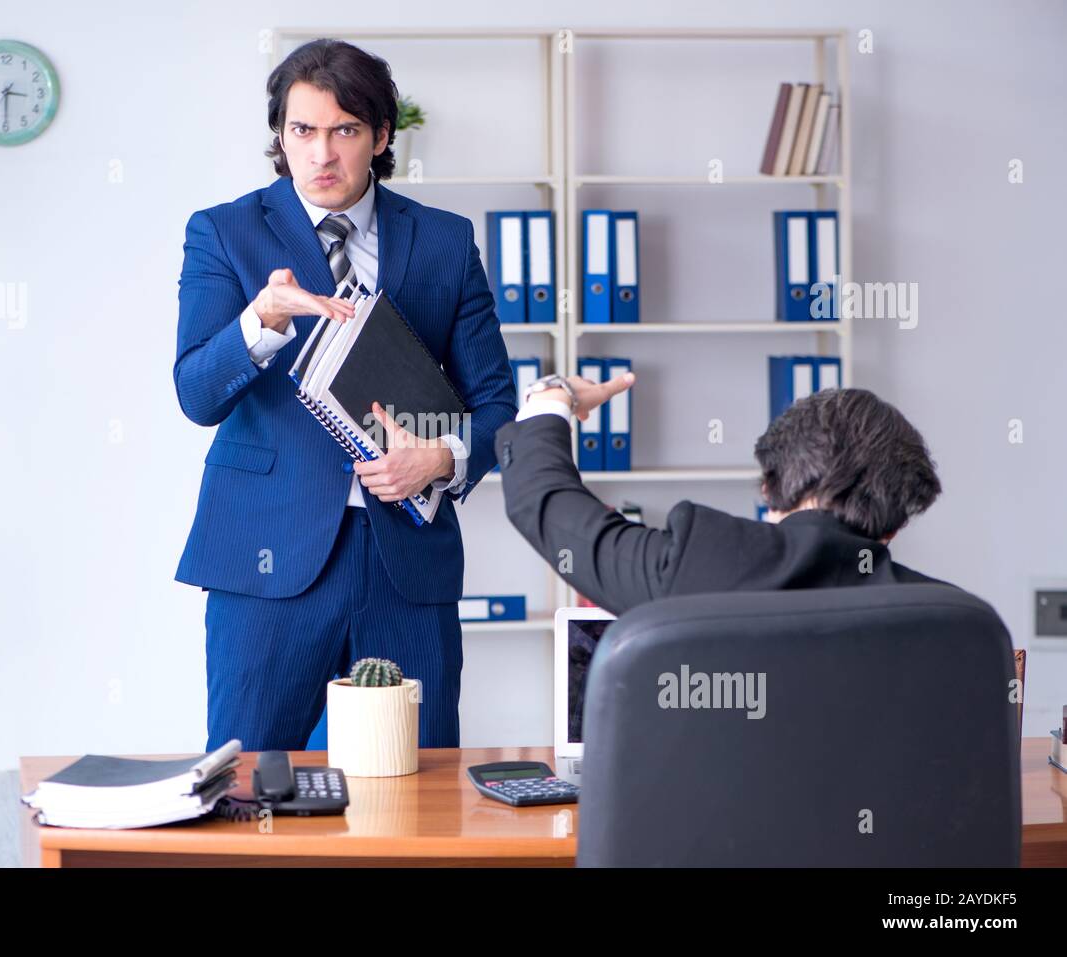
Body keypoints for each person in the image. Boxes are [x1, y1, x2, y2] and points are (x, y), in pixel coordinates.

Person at [174, 38, 516, 750]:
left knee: (413, 792)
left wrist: (442, 460)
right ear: (280, 134)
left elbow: (497, 408)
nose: (321, 153)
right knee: (247, 792)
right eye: (302, 130)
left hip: (405, 569)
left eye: (345, 131)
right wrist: (260, 323)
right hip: (267, 563)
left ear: (382, 136)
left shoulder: (446, 243)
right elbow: (196, 393)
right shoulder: (225, 233)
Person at [494, 375, 947, 614]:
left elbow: (546, 500)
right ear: (898, 522)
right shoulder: (956, 619)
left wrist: (554, 397)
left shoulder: (697, 566)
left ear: (769, 486)